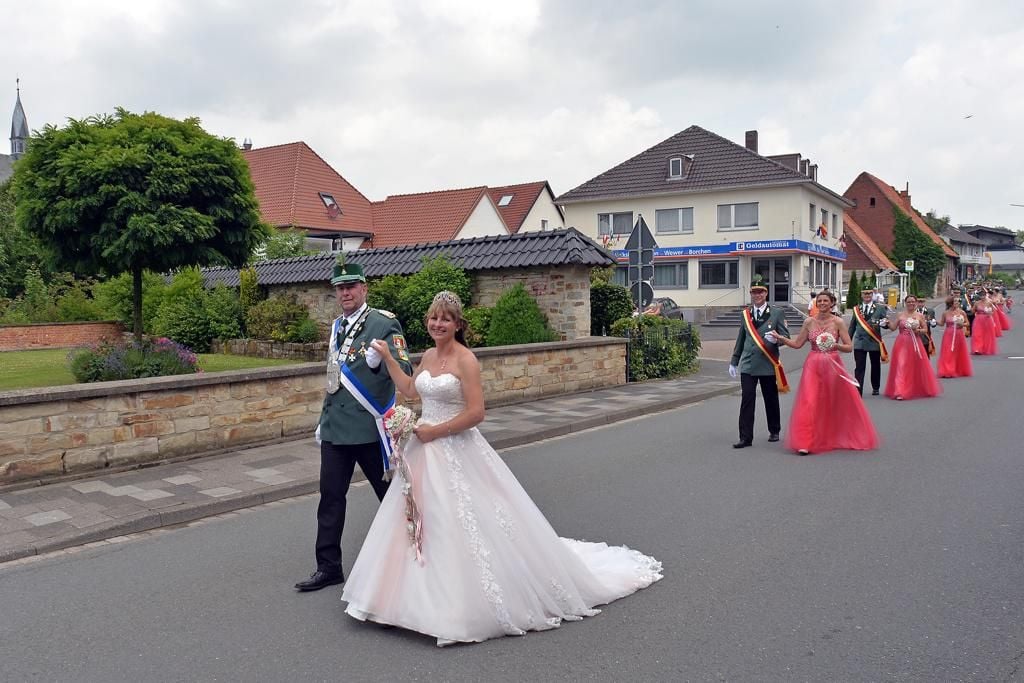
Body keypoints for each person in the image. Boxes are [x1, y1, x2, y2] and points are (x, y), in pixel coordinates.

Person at [342, 291, 663, 645]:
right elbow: (409, 391)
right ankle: (400, 600)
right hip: (423, 449)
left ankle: (455, 606)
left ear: (458, 324)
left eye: (446, 318)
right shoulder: (429, 356)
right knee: (419, 519)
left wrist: (436, 431)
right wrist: (389, 359)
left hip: (453, 445)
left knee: (460, 521)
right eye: (434, 317)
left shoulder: (466, 360)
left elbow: (476, 413)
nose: (438, 324)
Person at [294, 256, 413, 592]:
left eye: (351, 287)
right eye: (340, 288)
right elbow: (335, 377)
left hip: (369, 428)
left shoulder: (383, 323)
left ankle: (416, 552)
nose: (345, 293)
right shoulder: (337, 326)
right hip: (336, 427)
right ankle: (328, 566)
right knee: (330, 498)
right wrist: (324, 419)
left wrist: (379, 363)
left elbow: (406, 370)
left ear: (364, 288)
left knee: (391, 496)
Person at [775, 291, 878, 455]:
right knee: (809, 401)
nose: (822, 303)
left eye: (825, 301)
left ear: (832, 303)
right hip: (813, 364)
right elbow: (797, 344)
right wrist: (781, 338)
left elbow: (849, 347)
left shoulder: (838, 322)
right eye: (820, 301)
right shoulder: (809, 322)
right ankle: (805, 441)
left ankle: (834, 435)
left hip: (833, 365)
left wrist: (836, 346)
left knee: (832, 401)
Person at [729, 276, 790, 448]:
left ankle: (774, 430)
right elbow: (741, 338)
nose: (757, 295)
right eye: (754, 292)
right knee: (747, 399)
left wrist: (777, 339)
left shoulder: (776, 313)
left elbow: (786, 336)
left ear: (766, 293)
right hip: (748, 364)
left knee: (770, 398)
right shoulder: (745, 314)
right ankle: (745, 437)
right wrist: (734, 360)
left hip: (767, 362)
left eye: (760, 292)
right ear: (751, 294)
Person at [883, 295, 942, 400]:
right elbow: (893, 328)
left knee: (917, 365)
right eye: (909, 302)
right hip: (902, 343)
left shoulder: (920, 316)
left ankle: (920, 387)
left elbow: (925, 329)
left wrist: (917, 330)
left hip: (915, 343)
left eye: (913, 302)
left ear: (916, 303)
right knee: (901, 365)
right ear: (905, 303)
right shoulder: (900, 314)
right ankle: (900, 391)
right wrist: (887, 323)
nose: (911, 304)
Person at [848, 288, 889, 396]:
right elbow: (852, 326)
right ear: (861, 295)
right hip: (860, 341)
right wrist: (848, 340)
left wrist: (885, 324)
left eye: (869, 293)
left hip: (873, 340)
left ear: (872, 295)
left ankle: (875, 387)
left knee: (875, 365)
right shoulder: (857, 309)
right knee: (859, 367)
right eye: (865, 293)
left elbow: (885, 323)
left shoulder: (880, 308)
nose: (867, 295)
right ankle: (858, 390)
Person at [937, 295, 972, 378]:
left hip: (959, 334)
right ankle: (947, 370)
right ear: (950, 303)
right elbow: (942, 323)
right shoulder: (945, 313)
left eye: (957, 301)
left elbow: (967, 323)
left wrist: (962, 324)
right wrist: (934, 322)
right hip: (948, 334)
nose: (957, 303)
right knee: (948, 352)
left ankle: (959, 369)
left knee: (958, 351)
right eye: (955, 301)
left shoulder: (962, 312)